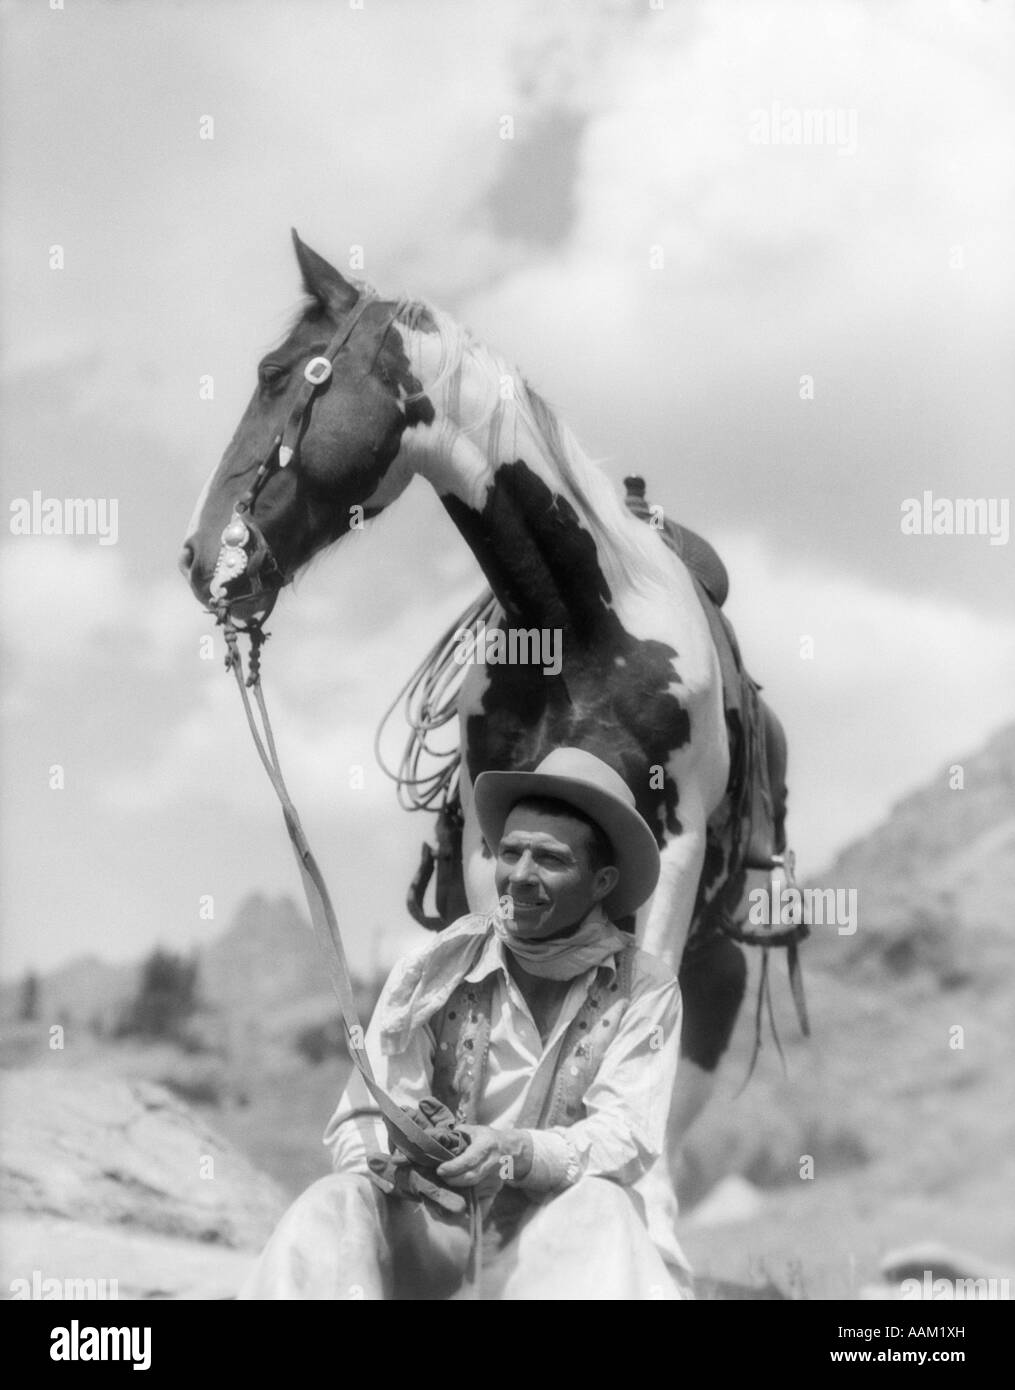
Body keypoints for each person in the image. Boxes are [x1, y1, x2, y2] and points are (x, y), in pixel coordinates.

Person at [239, 747, 686, 1300]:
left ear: (602, 882)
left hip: (555, 1243)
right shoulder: (432, 972)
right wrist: (406, 1158)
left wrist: (513, 1151)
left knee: (605, 1205)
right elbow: (360, 1118)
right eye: (511, 852)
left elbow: (626, 1137)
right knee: (333, 1203)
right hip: (432, 1238)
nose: (520, 876)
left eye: (549, 859)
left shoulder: (644, 987)